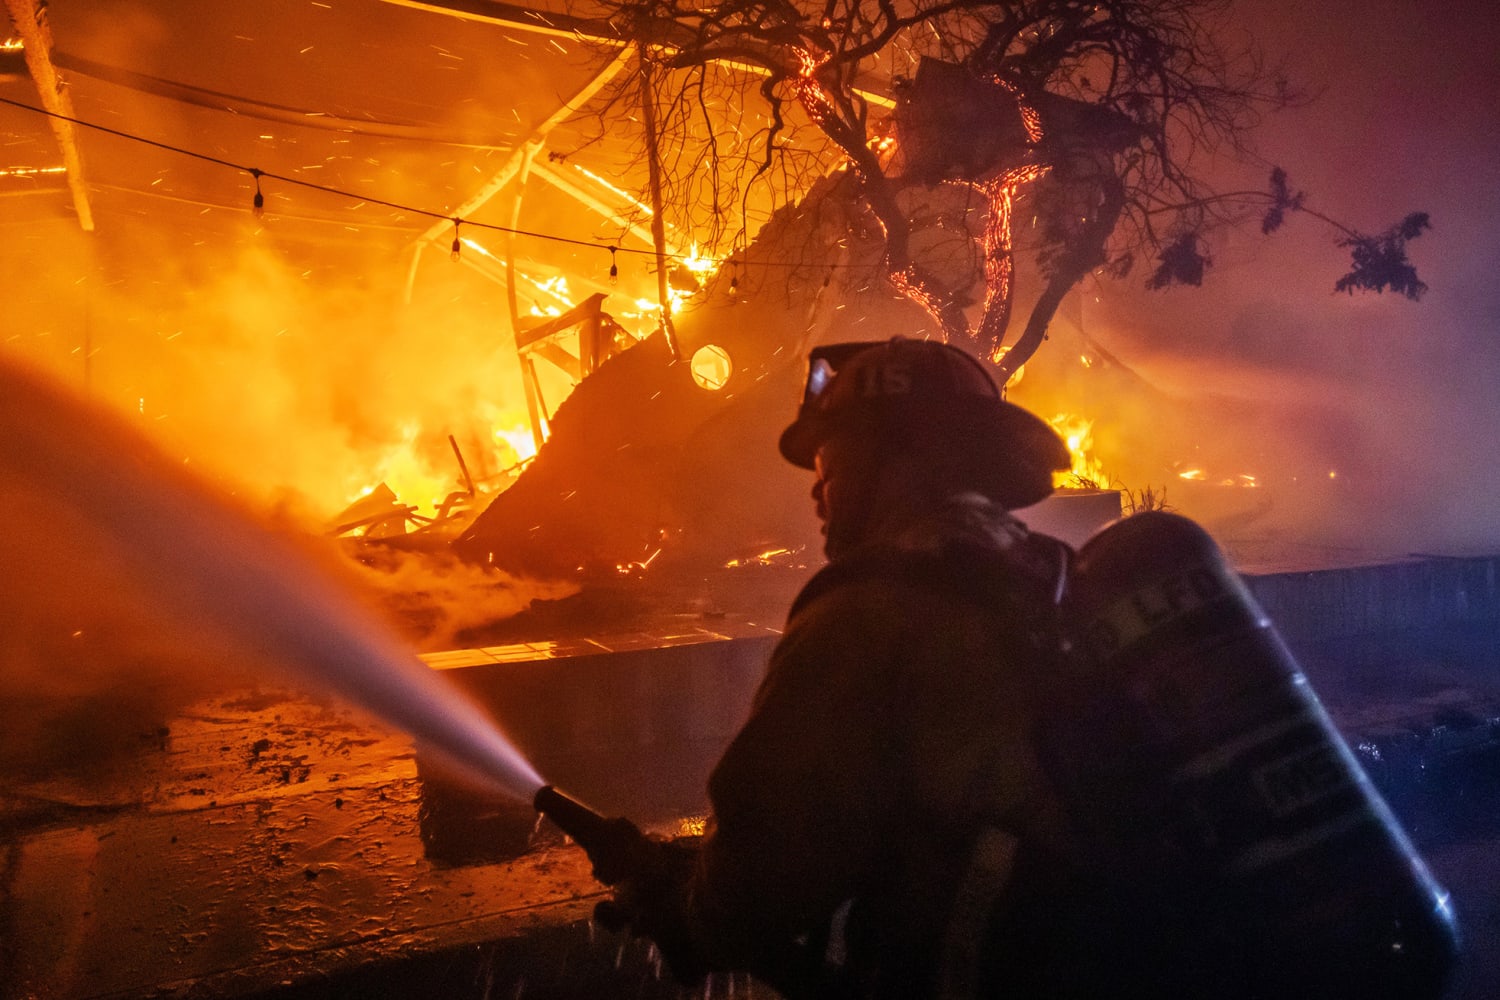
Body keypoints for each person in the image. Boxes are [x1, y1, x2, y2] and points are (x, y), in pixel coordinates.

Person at [609, 336, 1082, 998]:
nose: (819, 495)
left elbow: (760, 879)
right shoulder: (1049, 571)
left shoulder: (867, 613)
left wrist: (686, 909)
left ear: (901, 459)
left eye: (833, 463)